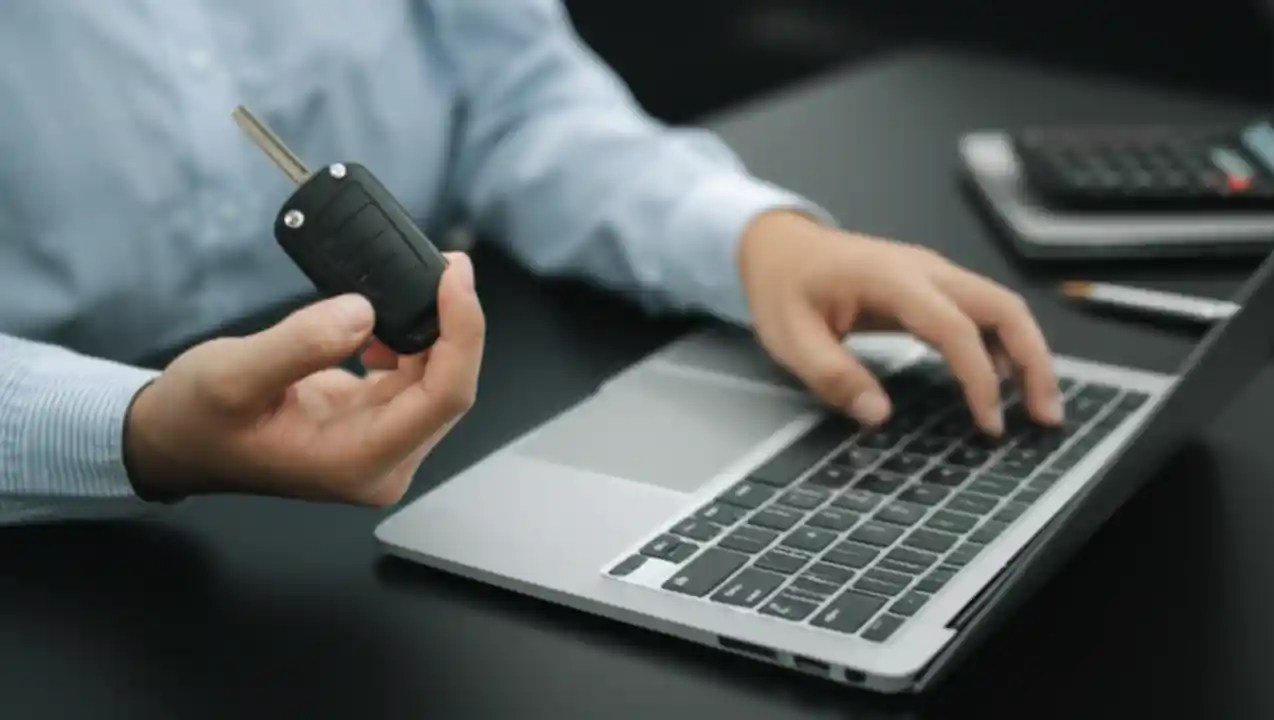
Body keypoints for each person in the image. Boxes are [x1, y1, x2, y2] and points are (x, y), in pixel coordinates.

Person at [0, 0, 1062, 525]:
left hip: (439, 428)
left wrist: (755, 240)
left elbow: (521, 107)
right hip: (63, 532)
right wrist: (137, 432)